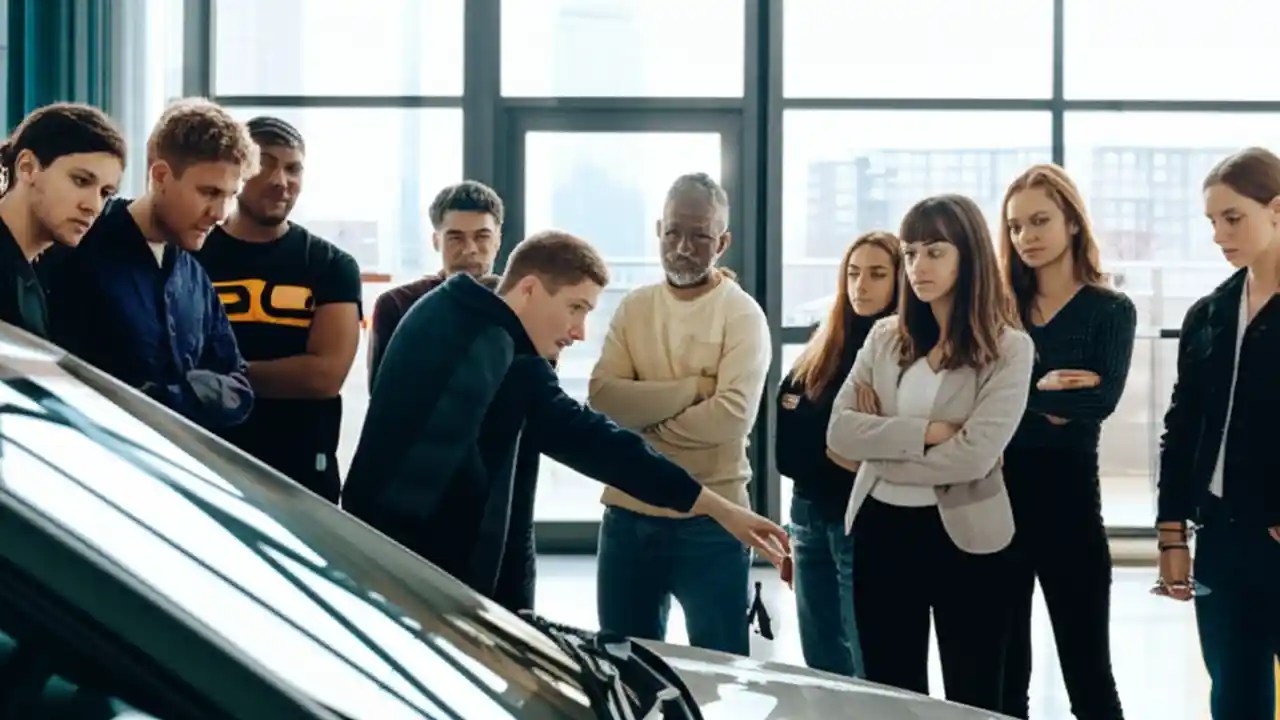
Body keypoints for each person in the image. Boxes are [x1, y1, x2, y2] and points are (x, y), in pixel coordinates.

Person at [341, 230, 790, 614]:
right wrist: (718, 507)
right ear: (531, 289)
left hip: (381, 562)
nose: (578, 332)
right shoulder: (496, 347)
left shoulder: (454, 314)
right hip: (414, 584)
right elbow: (592, 441)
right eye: (576, 308)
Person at [826, 194, 1033, 712]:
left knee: (974, 695)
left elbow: (974, 458)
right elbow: (839, 432)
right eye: (911, 252)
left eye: (935, 252)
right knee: (892, 695)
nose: (918, 267)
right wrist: (927, 432)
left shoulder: (1009, 348)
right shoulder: (883, 338)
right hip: (881, 528)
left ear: (970, 256)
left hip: (966, 537)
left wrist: (883, 445)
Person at [588, 173, 771, 656]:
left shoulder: (742, 314)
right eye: (673, 232)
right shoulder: (634, 306)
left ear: (723, 241)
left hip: (711, 523)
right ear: (658, 230)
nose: (683, 247)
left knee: (720, 673)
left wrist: (640, 429)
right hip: (628, 516)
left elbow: (732, 416)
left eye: (699, 235)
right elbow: (604, 398)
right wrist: (694, 389)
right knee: (624, 666)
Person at [998, 164, 1133, 719]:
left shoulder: (1110, 309)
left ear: (1073, 222)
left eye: (1039, 221)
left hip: (1071, 511)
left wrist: (1014, 400)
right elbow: (977, 408)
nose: (1026, 237)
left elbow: (1096, 405)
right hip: (995, 509)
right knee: (1006, 678)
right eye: (1014, 227)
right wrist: (1043, 393)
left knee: (1088, 674)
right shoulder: (997, 309)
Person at [1155, 146, 1280, 720]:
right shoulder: (1208, 313)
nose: (1218, 234)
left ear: (1276, 211)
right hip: (1223, 539)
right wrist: (1172, 535)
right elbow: (1181, 427)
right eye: (1211, 221)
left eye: (1232, 218)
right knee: (1233, 696)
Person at [44, 98, 257, 431]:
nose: (220, 213)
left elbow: (239, 389)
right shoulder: (77, 250)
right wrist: (193, 392)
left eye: (231, 195)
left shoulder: (195, 278)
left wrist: (165, 396)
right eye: (209, 192)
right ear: (160, 176)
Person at [196, 116, 362, 503]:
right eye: (264, 163)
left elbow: (324, 376)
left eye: (292, 168)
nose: (279, 180)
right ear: (238, 168)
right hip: (207, 463)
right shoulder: (193, 253)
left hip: (301, 473)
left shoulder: (331, 264)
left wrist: (212, 380)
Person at [774, 230, 899, 677]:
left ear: (899, 281)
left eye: (877, 274)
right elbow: (786, 450)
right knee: (821, 658)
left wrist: (849, 442)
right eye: (853, 273)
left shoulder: (902, 352)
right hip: (808, 517)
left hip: (863, 520)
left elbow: (889, 449)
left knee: (870, 661)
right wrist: (848, 442)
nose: (861, 285)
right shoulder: (822, 344)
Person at [0, 103, 125, 338]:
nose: (94, 206)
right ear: (27, 168)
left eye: (105, 193)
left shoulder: (34, 277)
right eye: (81, 181)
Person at [367, 180, 503, 387]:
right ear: (436, 241)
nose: (469, 249)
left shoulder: (517, 305)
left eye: (482, 237)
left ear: (497, 241)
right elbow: (382, 396)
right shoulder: (398, 304)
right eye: (455, 238)